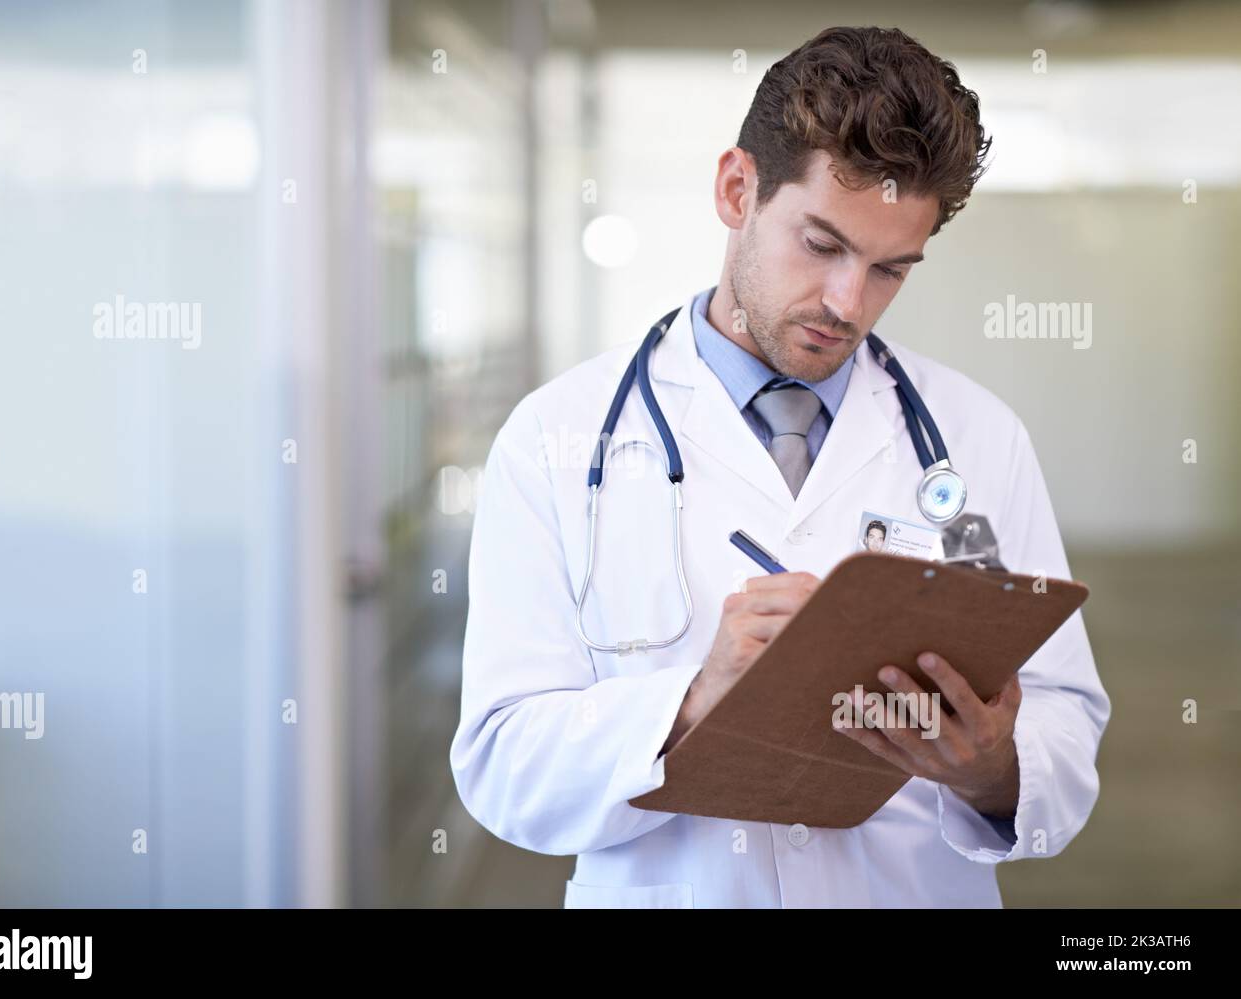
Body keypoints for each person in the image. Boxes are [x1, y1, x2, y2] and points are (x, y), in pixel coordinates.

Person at [450, 25, 1109, 908]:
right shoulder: (556, 439)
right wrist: (689, 701)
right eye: (824, 245)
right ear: (737, 189)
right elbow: (500, 764)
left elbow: (1066, 722)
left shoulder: (978, 438)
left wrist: (995, 766)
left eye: (889, 270)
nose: (847, 303)